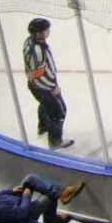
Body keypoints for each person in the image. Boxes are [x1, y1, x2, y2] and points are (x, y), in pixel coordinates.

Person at [0, 173, 84, 223]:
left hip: (16, 200)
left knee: (30, 179)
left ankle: (62, 193)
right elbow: (21, 213)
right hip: (25, 216)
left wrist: (11, 191)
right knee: (49, 197)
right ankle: (51, 219)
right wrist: (26, 196)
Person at [22, 17, 72, 151]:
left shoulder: (31, 42)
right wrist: (52, 87)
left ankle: (43, 127)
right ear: (39, 33)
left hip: (38, 86)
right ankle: (55, 142)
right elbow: (37, 74)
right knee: (59, 111)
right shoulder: (37, 50)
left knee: (46, 105)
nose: (48, 32)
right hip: (43, 87)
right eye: (45, 30)